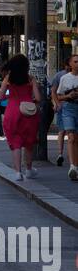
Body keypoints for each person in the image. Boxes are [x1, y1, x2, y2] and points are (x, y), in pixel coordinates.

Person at [0, 53, 41, 181]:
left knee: (15, 142)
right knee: (29, 142)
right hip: (28, 112)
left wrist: (9, 96)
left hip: (12, 111)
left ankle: (17, 172)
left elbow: (0, 97)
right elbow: (38, 98)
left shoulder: (8, 78)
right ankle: (29, 169)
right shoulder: (31, 79)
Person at [55, 52, 78, 182]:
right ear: (70, 64)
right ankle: (72, 167)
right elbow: (58, 95)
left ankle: (76, 165)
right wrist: (68, 96)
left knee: (77, 139)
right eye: (75, 62)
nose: (77, 64)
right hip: (68, 108)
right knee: (71, 137)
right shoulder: (65, 78)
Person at [50, 57, 71, 167]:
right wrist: (56, 104)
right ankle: (60, 154)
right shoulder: (59, 76)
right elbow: (53, 92)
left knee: (69, 132)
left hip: (70, 107)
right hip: (62, 106)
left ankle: (68, 155)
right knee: (63, 131)